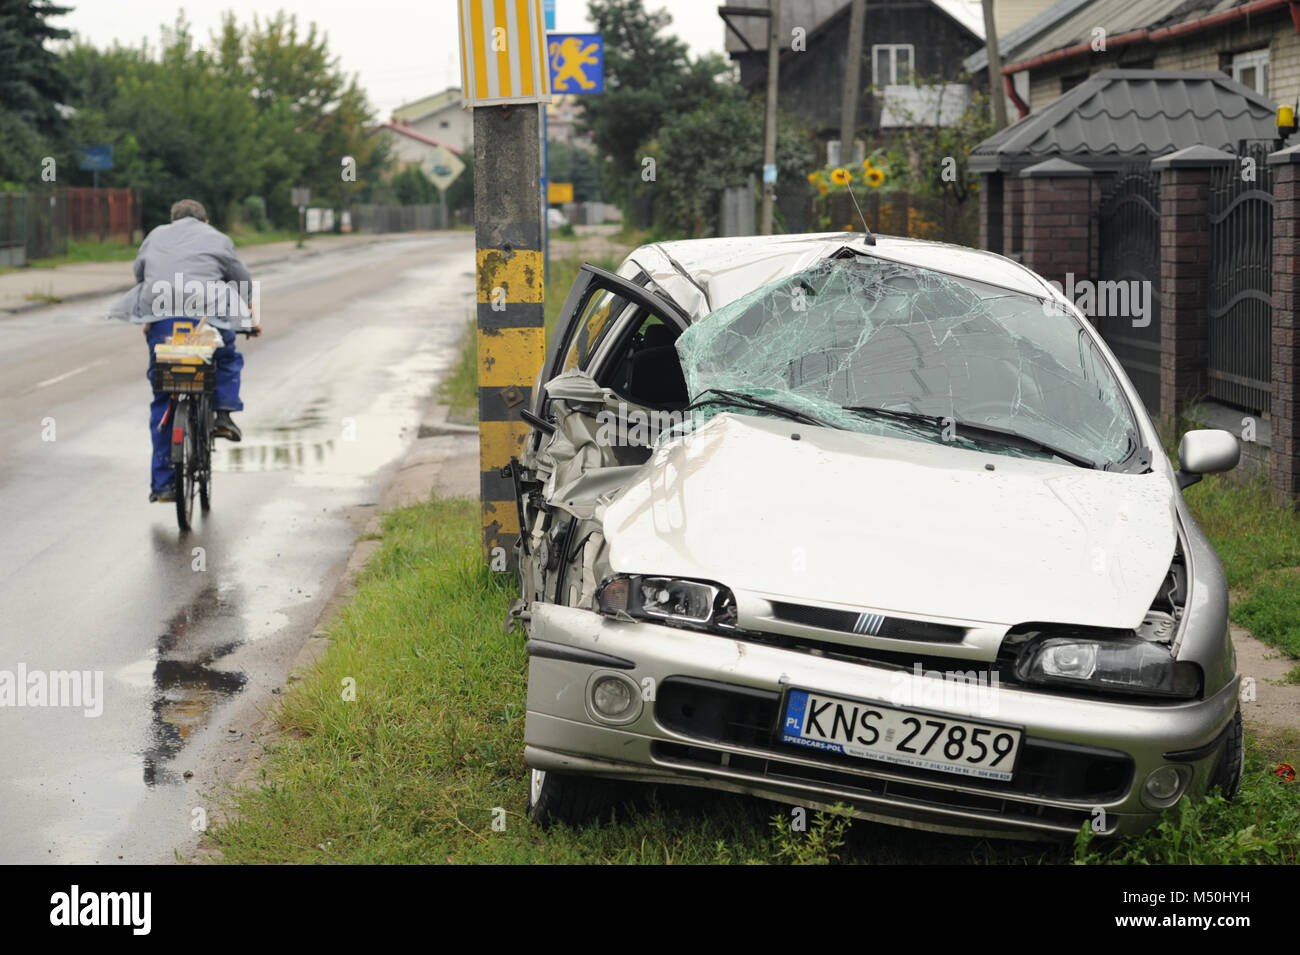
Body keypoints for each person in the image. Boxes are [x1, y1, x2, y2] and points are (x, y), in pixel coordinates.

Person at [109, 199, 261, 502]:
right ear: (205, 222)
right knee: (226, 356)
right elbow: (241, 280)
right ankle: (223, 415)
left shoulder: (155, 235)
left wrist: (151, 316)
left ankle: (164, 485)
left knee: (164, 394)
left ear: (172, 220)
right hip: (208, 317)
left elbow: (141, 274)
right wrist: (250, 317)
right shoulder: (218, 238)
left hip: (162, 315)